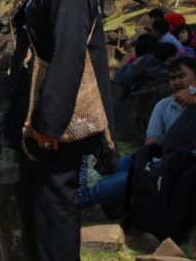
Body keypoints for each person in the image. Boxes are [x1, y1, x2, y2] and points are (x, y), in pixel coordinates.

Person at [0, 0, 113, 261]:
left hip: (58, 115)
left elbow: (68, 55)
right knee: (38, 193)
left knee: (55, 195)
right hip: (42, 111)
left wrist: (50, 120)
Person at [79, 57, 196, 211]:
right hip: (159, 163)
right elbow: (151, 144)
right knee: (127, 162)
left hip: (181, 170)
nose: (176, 82)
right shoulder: (163, 106)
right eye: (172, 78)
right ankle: (107, 194)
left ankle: (89, 194)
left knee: (122, 180)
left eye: (182, 76)